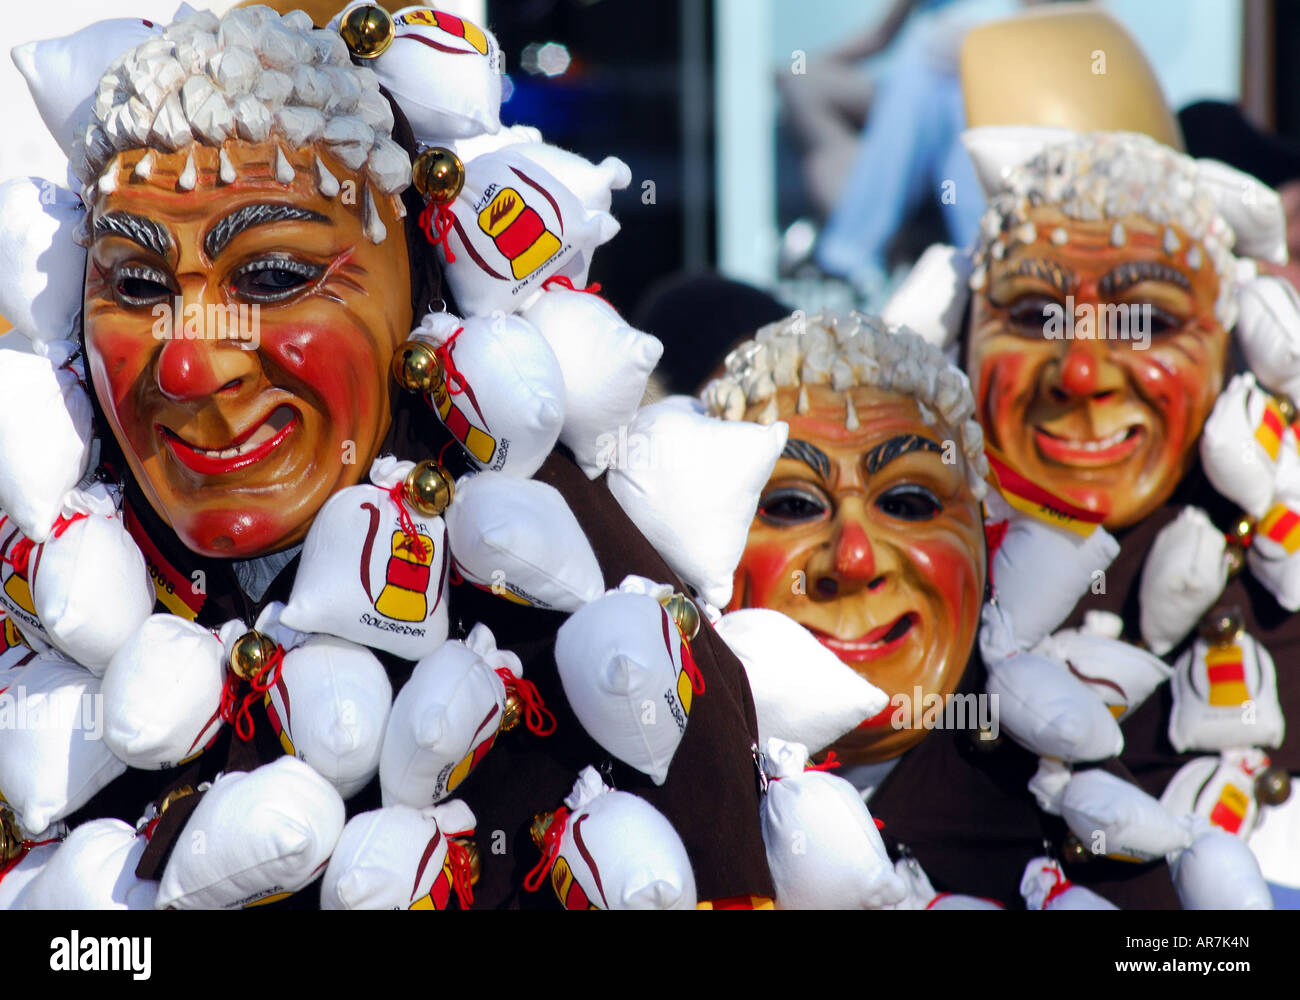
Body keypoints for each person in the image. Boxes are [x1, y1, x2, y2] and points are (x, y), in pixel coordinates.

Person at [0, 3, 774, 909]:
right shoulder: (34, 631)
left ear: (418, 301)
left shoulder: (601, 672)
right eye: (136, 286)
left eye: (273, 277)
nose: (189, 363)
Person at [703, 310, 1183, 906]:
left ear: (987, 547)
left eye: (908, 501)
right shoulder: (650, 795)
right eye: (792, 504)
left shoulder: (1068, 820)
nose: (853, 560)